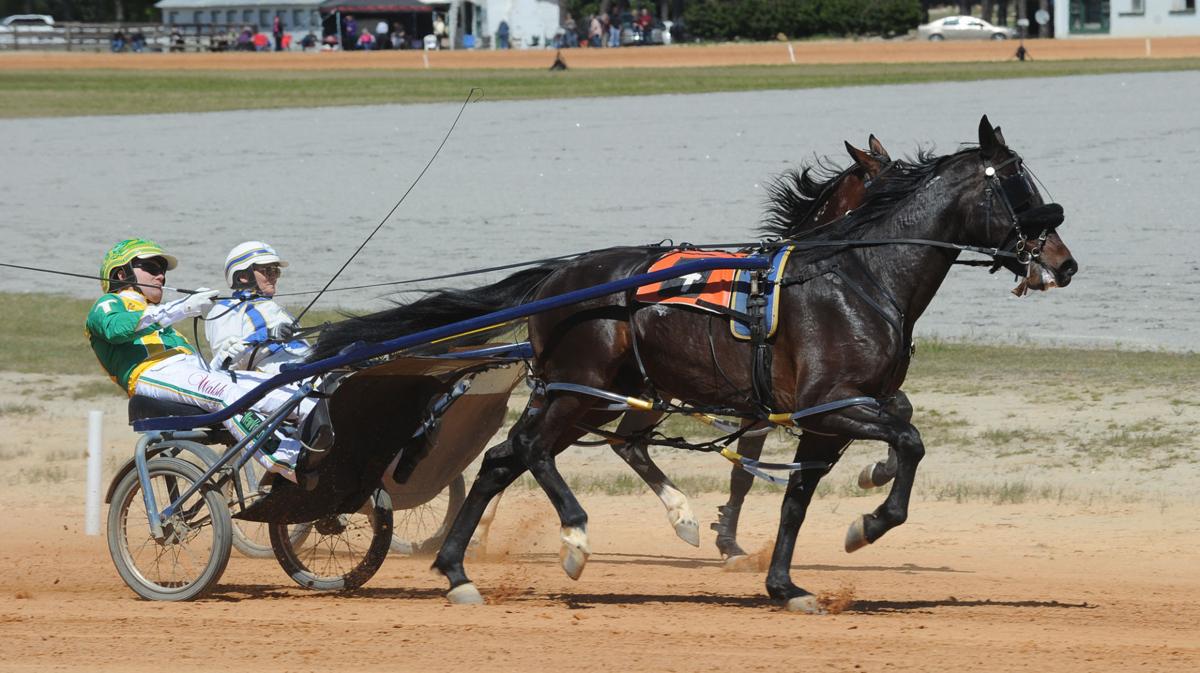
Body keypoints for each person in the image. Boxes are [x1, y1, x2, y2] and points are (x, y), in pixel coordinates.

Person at [86, 238, 320, 484]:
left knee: (286, 390)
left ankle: (326, 444)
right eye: (152, 269)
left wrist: (227, 355)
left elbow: (201, 373)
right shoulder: (108, 304)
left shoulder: (161, 321)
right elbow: (116, 329)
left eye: (162, 271)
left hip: (186, 372)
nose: (161, 277)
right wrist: (183, 307)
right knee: (227, 395)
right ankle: (286, 460)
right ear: (121, 274)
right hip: (150, 374)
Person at [206, 241, 311, 375]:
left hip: (309, 362)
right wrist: (267, 334)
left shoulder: (276, 309)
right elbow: (225, 364)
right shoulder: (225, 309)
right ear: (244, 276)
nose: (274, 277)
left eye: (276, 271)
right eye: (268, 271)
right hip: (275, 374)